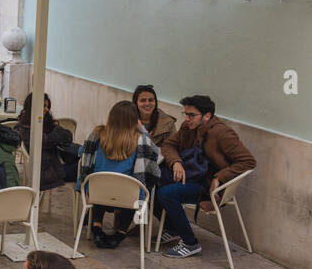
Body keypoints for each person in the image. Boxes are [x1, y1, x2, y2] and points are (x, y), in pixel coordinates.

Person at [155, 95, 257, 259]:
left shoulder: (222, 133)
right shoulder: (188, 127)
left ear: (207, 116)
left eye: (192, 115)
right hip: (192, 177)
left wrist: (219, 177)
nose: (187, 119)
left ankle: (190, 243)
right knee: (153, 183)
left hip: (210, 186)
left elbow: (248, 161)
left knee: (166, 193)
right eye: (185, 114)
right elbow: (169, 145)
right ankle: (172, 227)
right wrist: (176, 162)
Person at [76, 101, 162, 249]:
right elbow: (155, 155)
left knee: (102, 181)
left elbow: (82, 153)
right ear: (134, 120)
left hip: (97, 193)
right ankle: (120, 233)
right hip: (127, 197)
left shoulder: (97, 133)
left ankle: (96, 228)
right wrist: (143, 130)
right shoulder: (140, 140)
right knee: (134, 187)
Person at [18, 93, 75, 191]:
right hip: (47, 172)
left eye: (47, 106)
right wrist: (58, 131)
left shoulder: (45, 121)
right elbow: (47, 141)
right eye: (44, 106)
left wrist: (57, 133)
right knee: (88, 169)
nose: (47, 109)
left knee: (86, 165)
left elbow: (68, 136)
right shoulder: (26, 128)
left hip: (55, 166)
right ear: (33, 106)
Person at [133, 85, 176, 149]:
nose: (147, 104)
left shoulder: (168, 123)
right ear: (135, 103)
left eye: (151, 100)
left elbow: (172, 148)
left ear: (155, 102)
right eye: (143, 100)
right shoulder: (125, 119)